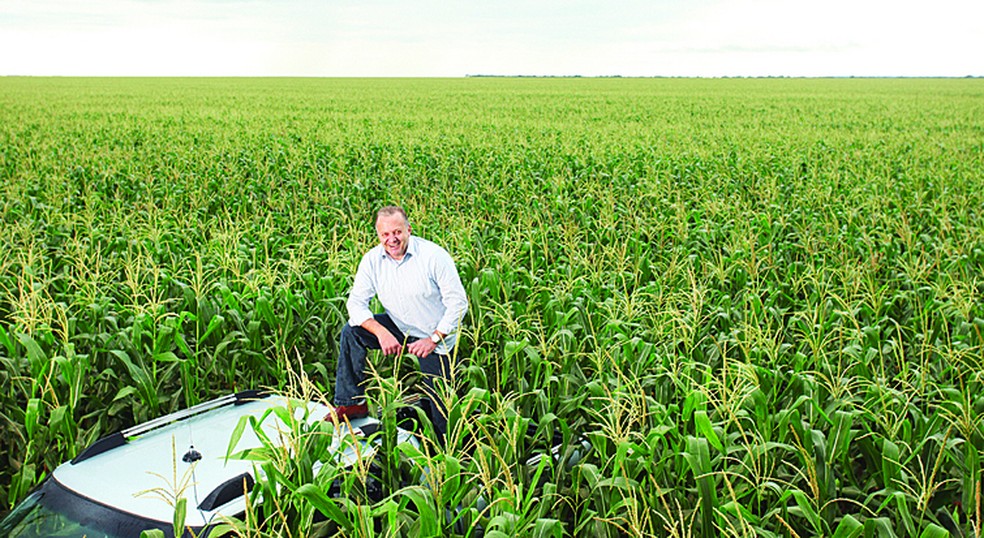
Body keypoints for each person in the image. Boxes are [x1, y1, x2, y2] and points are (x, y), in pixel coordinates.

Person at [329, 205, 468, 438]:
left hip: (433, 336)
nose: (391, 239)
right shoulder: (372, 260)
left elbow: (459, 303)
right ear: (378, 235)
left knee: (441, 410)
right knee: (351, 332)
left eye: (397, 232)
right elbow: (355, 305)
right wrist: (381, 332)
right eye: (385, 234)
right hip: (399, 325)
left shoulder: (433, 256)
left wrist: (433, 339)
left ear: (408, 230)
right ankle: (351, 402)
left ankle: (447, 451)